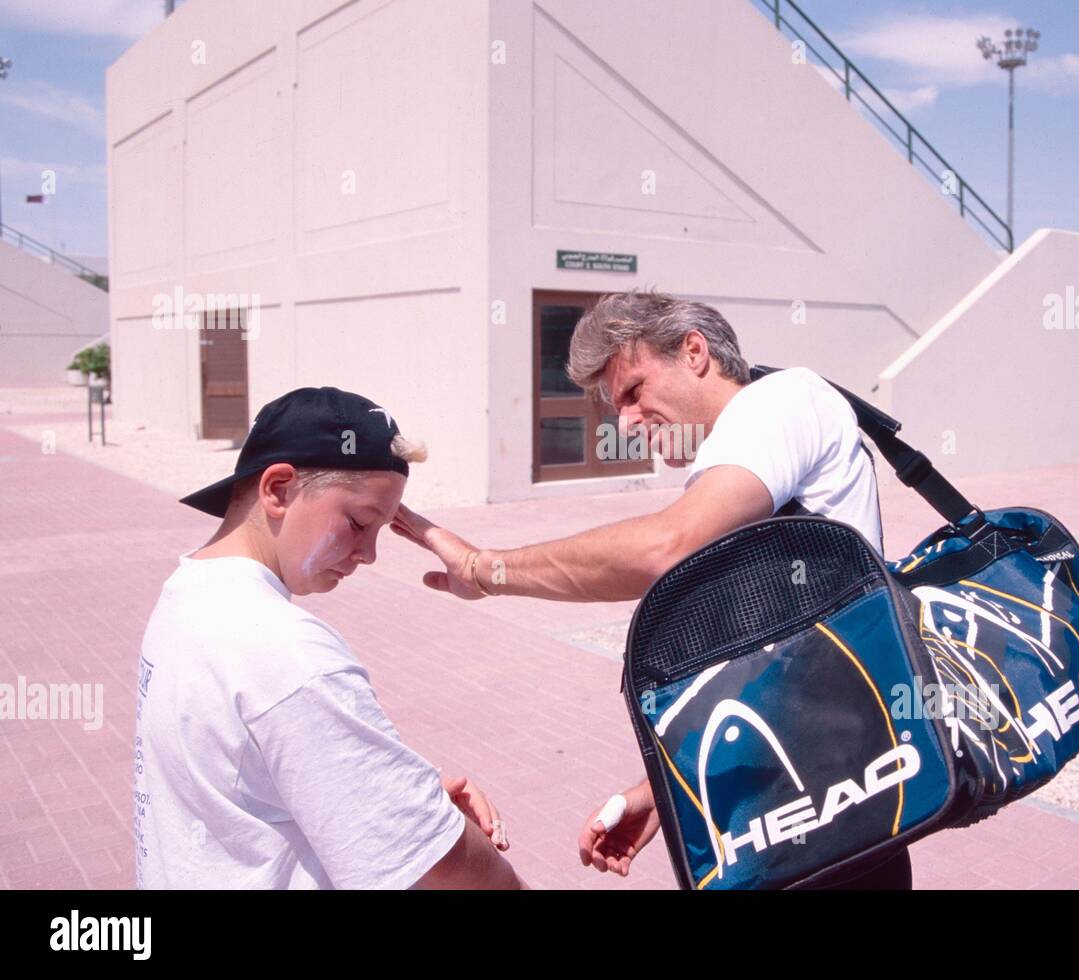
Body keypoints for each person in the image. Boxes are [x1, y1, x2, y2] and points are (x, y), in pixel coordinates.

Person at [392, 290, 909, 889]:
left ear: (694, 352)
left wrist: (488, 569)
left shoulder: (778, 402)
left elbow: (665, 546)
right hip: (792, 789)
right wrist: (661, 790)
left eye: (634, 391)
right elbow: (762, 659)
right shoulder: (740, 451)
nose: (627, 422)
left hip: (829, 795)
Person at [134, 387, 524, 889]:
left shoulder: (185, 595)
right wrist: (431, 836)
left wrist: (392, 802)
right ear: (278, 490)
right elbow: (440, 868)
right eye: (360, 522)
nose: (369, 554)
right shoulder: (284, 650)